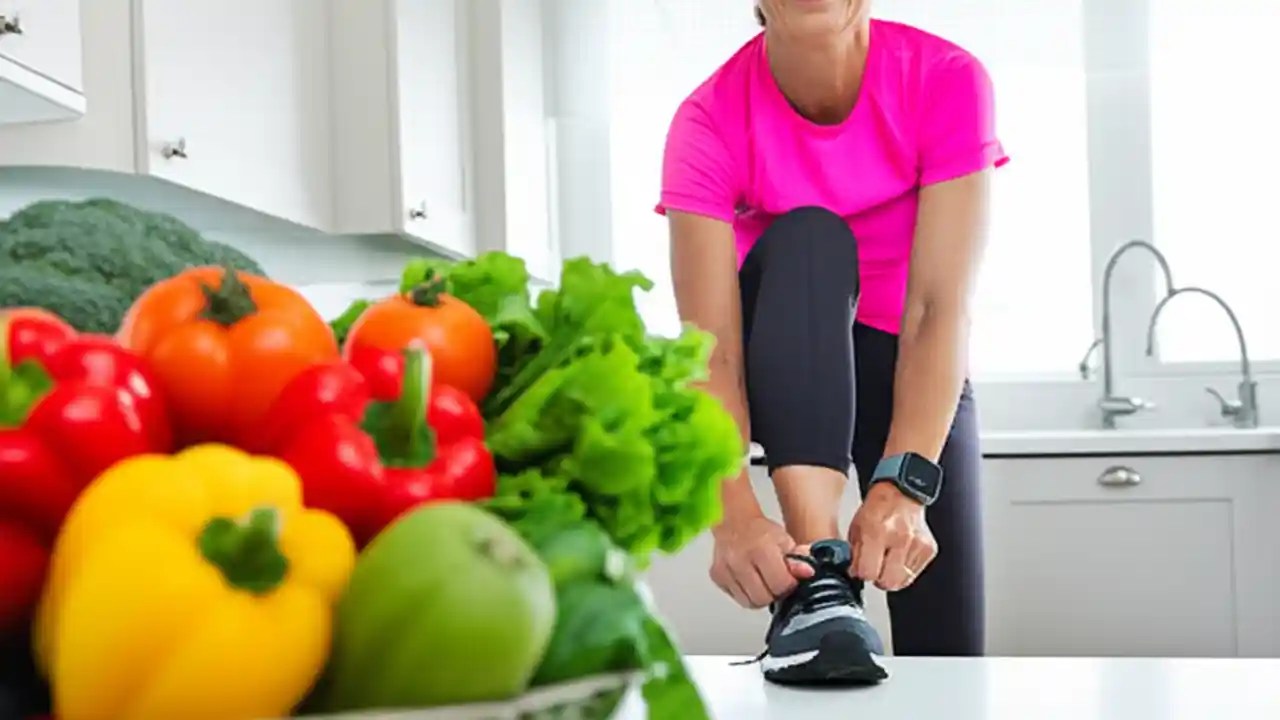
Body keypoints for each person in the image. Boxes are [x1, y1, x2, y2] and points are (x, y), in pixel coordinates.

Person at [656, 0, 1007, 684]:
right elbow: (713, 350)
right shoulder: (707, 120)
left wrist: (903, 491)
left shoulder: (945, 79)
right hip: (780, 352)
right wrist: (732, 516)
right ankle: (819, 578)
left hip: (905, 359)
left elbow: (937, 310)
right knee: (812, 237)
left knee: (950, 654)